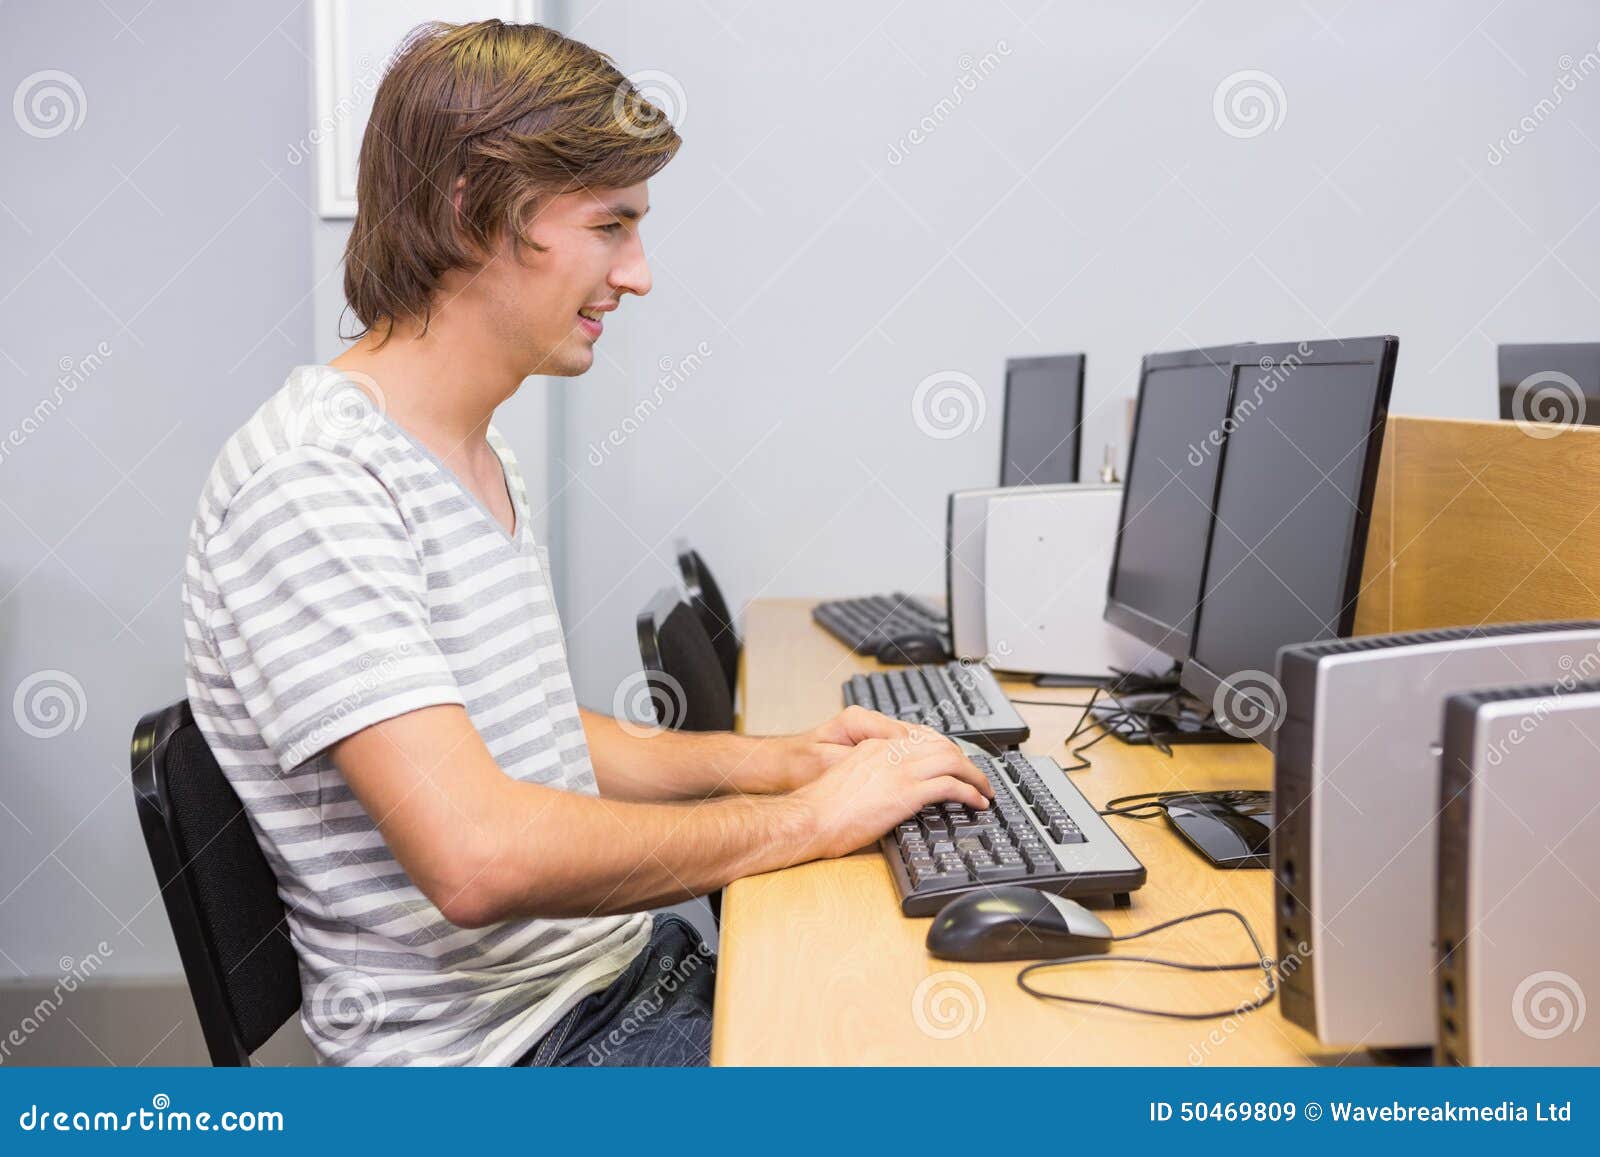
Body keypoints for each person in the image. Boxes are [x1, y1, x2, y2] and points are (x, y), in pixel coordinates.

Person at [181, 18, 989, 1067]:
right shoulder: (316, 480)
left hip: (610, 984)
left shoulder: (471, 451)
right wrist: (812, 819)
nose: (639, 273)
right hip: (513, 1060)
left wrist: (778, 763)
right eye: (612, 225)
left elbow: (530, 739)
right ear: (476, 209)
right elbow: (476, 854)